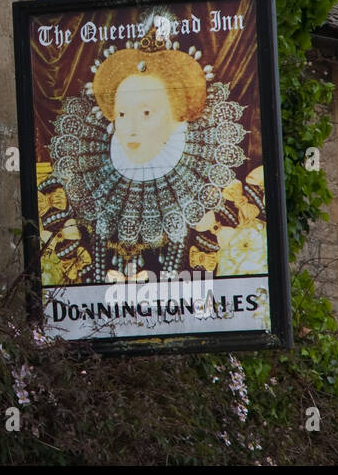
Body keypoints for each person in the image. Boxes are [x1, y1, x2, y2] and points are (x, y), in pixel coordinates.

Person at [46, 22, 247, 284]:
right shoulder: (71, 194)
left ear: (178, 114)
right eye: (121, 114)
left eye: (146, 113)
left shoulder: (221, 198)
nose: (131, 128)